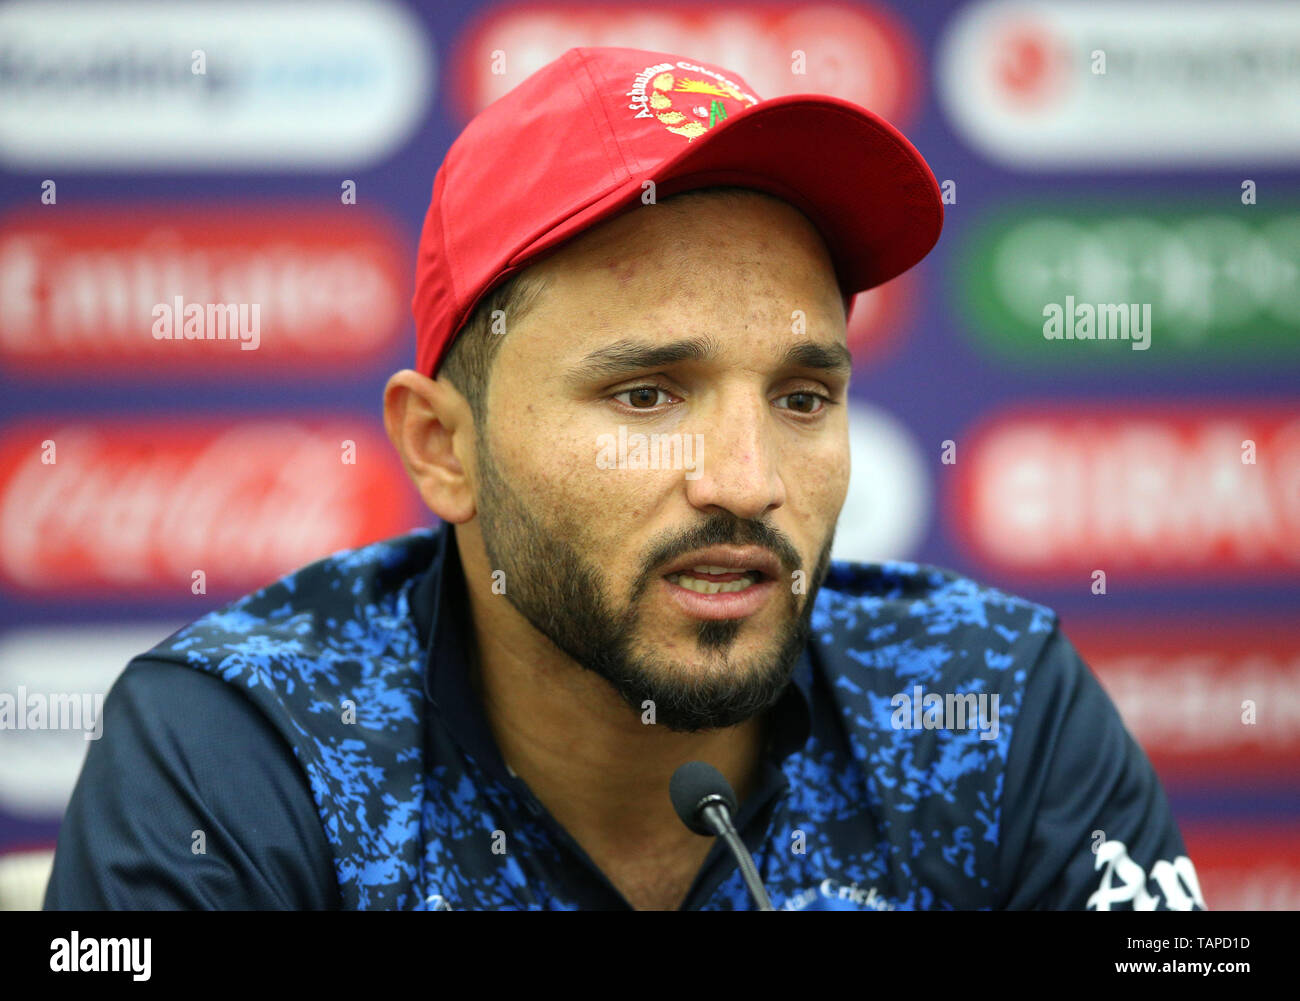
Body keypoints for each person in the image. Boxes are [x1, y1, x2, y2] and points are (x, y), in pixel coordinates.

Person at [44, 46, 1204, 911]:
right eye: (647, 394)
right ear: (444, 447)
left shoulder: (995, 703)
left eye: (801, 399)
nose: (746, 483)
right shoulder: (243, 741)